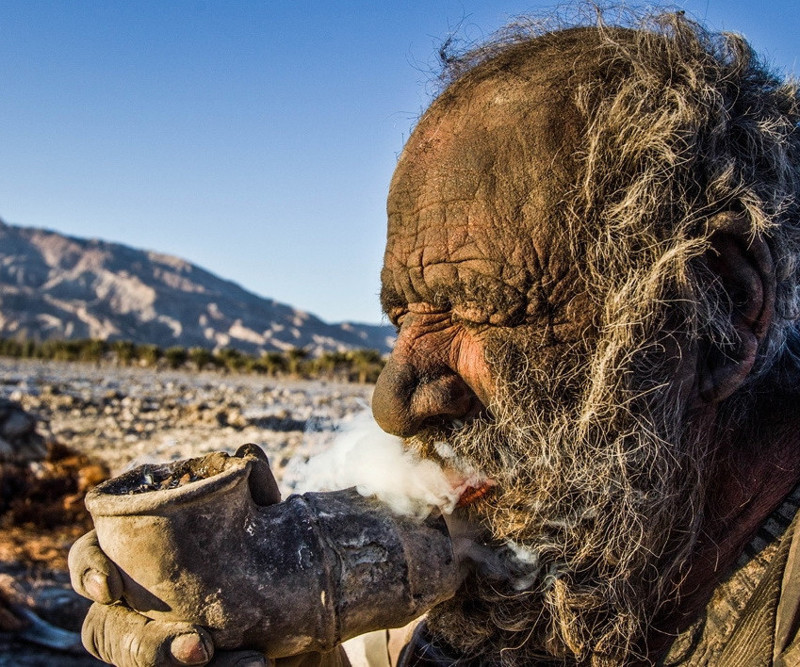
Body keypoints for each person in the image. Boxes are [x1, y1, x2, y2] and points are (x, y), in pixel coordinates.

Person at [68, 11, 800, 666]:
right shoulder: (571, 572)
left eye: (479, 304)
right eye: (403, 316)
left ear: (720, 309)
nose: (393, 405)